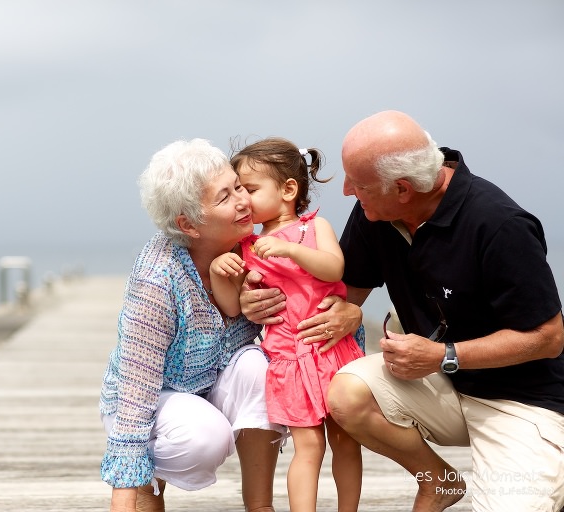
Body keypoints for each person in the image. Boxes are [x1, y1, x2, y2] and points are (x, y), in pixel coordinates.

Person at [243, 110, 564, 511]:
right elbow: (344, 293)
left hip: (519, 400)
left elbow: (549, 338)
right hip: (439, 383)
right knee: (345, 395)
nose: (345, 191)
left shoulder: (500, 225)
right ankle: (440, 481)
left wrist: (444, 356)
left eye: (356, 183)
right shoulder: (376, 210)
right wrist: (267, 302)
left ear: (404, 189)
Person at [99, 138, 286, 512]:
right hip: (153, 398)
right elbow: (137, 383)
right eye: (224, 197)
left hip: (216, 382)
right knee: (204, 438)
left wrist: (346, 314)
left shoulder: (254, 247)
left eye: (239, 187)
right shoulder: (159, 276)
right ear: (188, 224)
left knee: (258, 369)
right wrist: (124, 489)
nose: (243, 201)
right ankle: (147, 491)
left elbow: (309, 300)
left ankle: (261, 505)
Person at [209, 137, 364, 512]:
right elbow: (234, 307)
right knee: (308, 445)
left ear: (288, 190)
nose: (242, 199)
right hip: (289, 359)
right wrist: (219, 273)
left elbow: (334, 268)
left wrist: (292, 249)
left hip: (331, 350)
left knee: (345, 440)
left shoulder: (314, 228)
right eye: (237, 191)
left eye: (250, 189)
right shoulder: (245, 247)